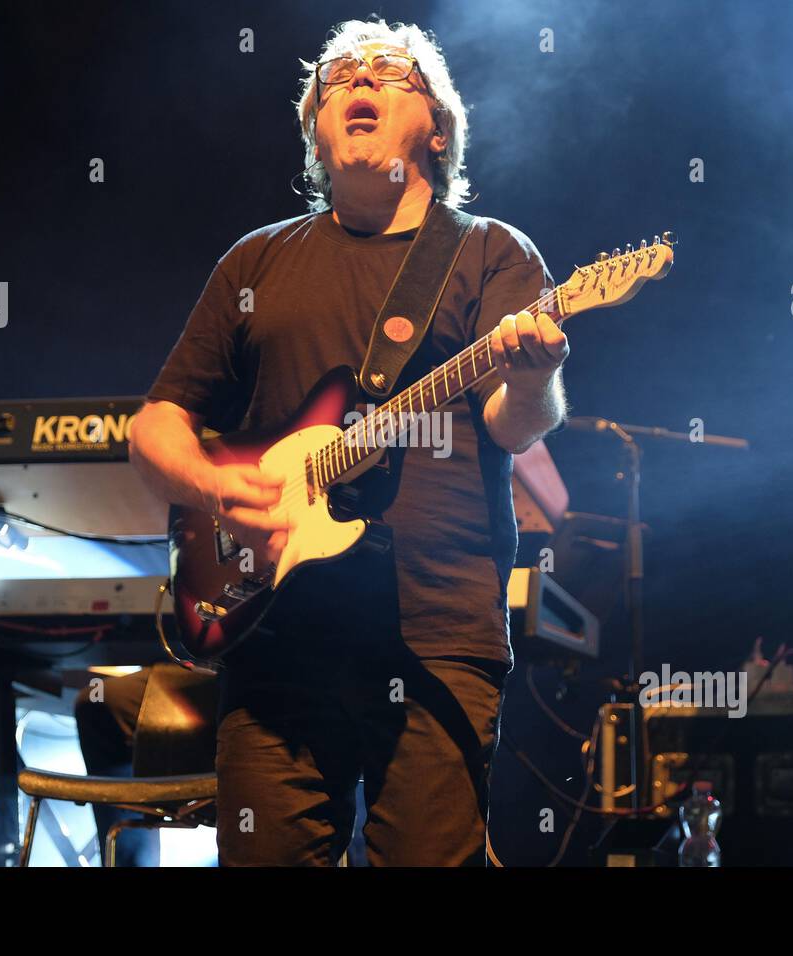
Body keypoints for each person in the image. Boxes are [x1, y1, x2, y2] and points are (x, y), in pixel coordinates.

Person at [129, 18, 568, 866]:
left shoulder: (489, 253)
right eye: (336, 76)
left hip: (437, 629)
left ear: (436, 129)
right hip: (274, 631)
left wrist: (533, 373)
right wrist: (215, 490)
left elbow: (516, 426)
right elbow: (156, 425)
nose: (359, 77)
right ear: (314, 128)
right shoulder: (254, 263)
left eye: (390, 71)